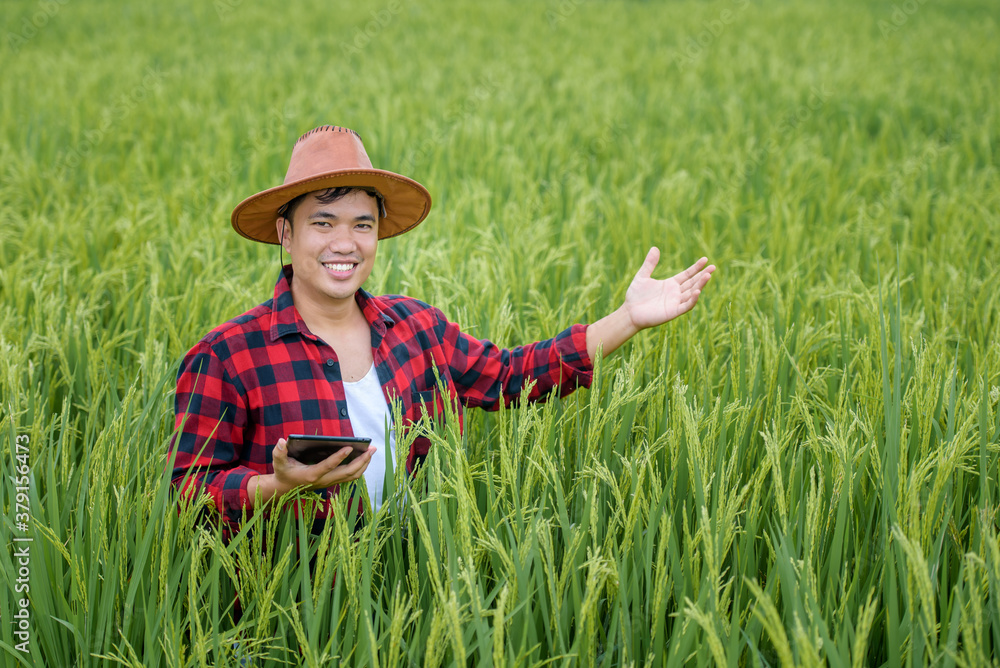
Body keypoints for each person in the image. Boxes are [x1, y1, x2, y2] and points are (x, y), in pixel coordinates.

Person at [169, 125, 715, 536]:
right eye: (323, 223)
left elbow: (511, 375)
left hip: (415, 584)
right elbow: (188, 489)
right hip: (298, 605)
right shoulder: (227, 356)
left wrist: (628, 318)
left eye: (362, 224)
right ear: (286, 235)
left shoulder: (417, 329)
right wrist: (275, 487)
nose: (345, 243)